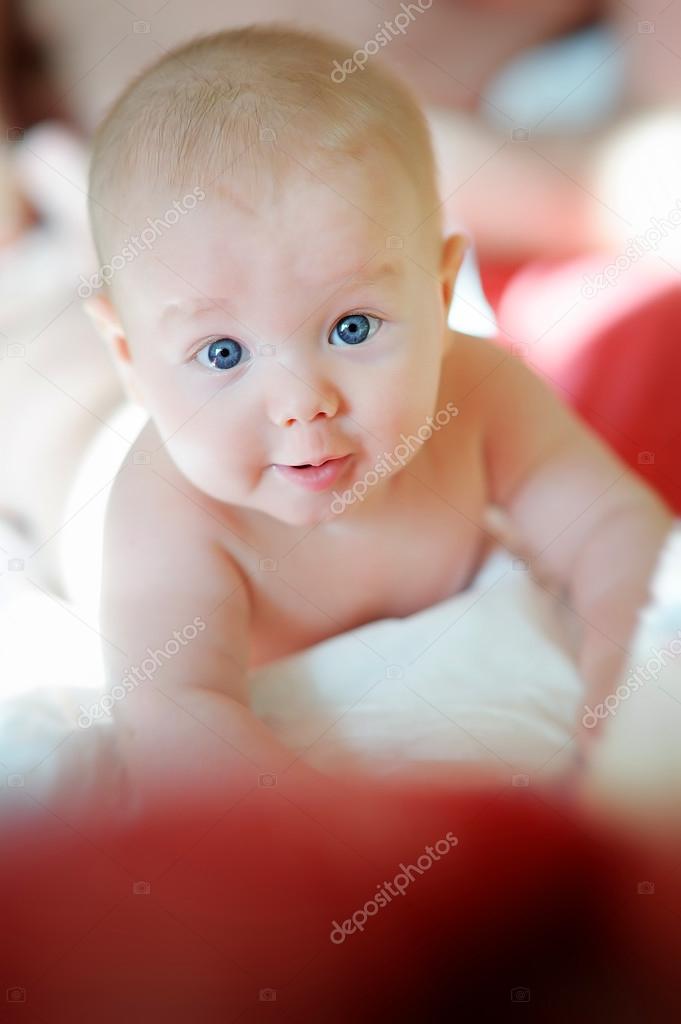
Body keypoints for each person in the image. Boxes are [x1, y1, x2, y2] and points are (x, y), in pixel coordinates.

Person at [81, 24, 672, 802]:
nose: (301, 405)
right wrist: (333, 837)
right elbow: (173, 713)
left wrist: (622, 687)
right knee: (40, 414)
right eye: (223, 353)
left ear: (437, 294)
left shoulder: (481, 392)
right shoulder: (169, 511)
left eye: (350, 328)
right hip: (86, 442)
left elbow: (611, 530)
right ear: (129, 357)